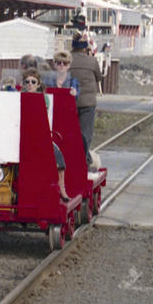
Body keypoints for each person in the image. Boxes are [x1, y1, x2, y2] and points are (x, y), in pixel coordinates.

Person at [19, 69, 69, 199]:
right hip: (20, 136)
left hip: (39, 136)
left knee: (59, 158)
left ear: (38, 84)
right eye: (27, 82)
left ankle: (62, 189)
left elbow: (40, 116)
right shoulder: (18, 96)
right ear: (23, 84)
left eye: (33, 82)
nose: (30, 84)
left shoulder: (43, 98)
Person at [66, 33, 102, 168]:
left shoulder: (67, 61)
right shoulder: (92, 61)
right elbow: (99, 77)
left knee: (70, 132)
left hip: (70, 101)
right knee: (85, 132)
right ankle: (84, 159)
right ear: (85, 48)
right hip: (88, 102)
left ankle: (70, 158)